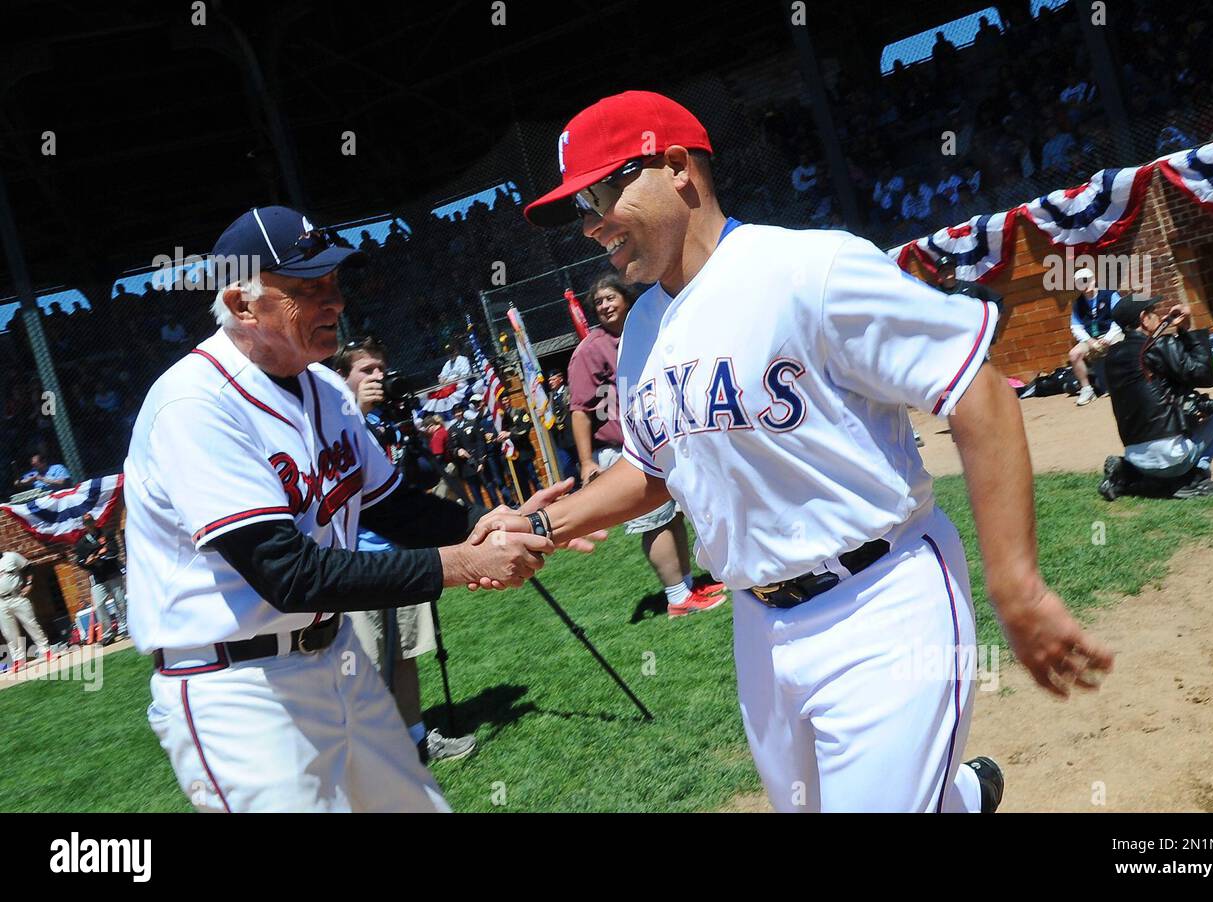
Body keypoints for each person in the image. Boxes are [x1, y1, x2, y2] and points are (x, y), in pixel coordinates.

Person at [509, 90, 1113, 812]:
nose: (590, 224)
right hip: (759, 627)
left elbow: (977, 391)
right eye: (580, 208)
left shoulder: (808, 269)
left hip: (881, 600)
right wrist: (542, 526)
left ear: (675, 167)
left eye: (602, 192)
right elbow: (652, 470)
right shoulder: (640, 327)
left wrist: (1016, 583)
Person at [124, 205, 572, 813]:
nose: (333, 302)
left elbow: (391, 507)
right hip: (237, 689)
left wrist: (489, 522)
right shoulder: (194, 404)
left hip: (337, 658)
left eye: (334, 283)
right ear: (241, 305)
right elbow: (290, 574)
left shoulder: (327, 388)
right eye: (308, 289)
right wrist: (463, 563)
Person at [332, 336, 478, 764]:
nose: (378, 378)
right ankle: (373, 747)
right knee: (364, 660)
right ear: (342, 378)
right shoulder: (337, 419)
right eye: (366, 371)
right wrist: (355, 407)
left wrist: (406, 429)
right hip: (357, 561)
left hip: (402, 554)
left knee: (405, 654)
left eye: (381, 370)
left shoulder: (387, 422)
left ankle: (415, 738)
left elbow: (414, 480)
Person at [568, 272, 728, 619]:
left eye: (610, 298)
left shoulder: (646, 332)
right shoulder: (589, 350)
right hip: (622, 452)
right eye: (598, 302)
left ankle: (687, 585)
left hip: (658, 443)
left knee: (672, 516)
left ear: (626, 298)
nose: (605, 306)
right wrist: (585, 462)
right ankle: (677, 597)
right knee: (655, 520)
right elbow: (579, 411)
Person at [1098, 296, 1213, 501]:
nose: (1158, 316)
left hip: (1135, 456)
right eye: (1153, 312)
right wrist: (1186, 329)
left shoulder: (1112, 357)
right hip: (1171, 460)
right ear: (1144, 318)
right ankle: (1196, 475)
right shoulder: (1158, 347)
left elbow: (1158, 391)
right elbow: (1205, 375)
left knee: (1187, 411)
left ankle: (1133, 472)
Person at [1068, 268, 1123, 406]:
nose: (1084, 285)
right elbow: (1076, 327)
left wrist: (1109, 338)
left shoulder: (1110, 295)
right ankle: (1087, 389)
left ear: (1093, 280)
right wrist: (1089, 341)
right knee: (1074, 354)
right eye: (1080, 282)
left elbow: (1120, 318)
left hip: (1112, 333)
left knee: (1120, 345)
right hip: (1091, 338)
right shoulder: (1077, 303)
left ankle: (1123, 382)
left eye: (1086, 281)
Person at [73, 512, 128, 643]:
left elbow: (114, 551)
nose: (89, 524)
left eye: (90, 521)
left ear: (94, 521)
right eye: (86, 522)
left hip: (112, 572)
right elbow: (80, 561)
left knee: (120, 601)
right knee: (99, 605)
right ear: (84, 525)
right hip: (97, 577)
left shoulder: (106, 533)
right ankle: (107, 633)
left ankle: (124, 627)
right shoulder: (82, 543)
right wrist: (91, 559)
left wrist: (96, 556)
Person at [0, 550, 50, 668]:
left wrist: (29, 584)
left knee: (31, 624)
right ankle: (18, 660)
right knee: (9, 632)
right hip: (1, 602)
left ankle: (46, 651)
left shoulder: (11, 556)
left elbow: (29, 567)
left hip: (17, 596)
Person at [547, 370, 580, 482]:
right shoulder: (550, 397)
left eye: (553, 379)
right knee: (567, 465)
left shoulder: (569, 391)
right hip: (561, 437)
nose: (550, 382)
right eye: (549, 380)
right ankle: (574, 487)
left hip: (573, 432)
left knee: (579, 459)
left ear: (560, 379)